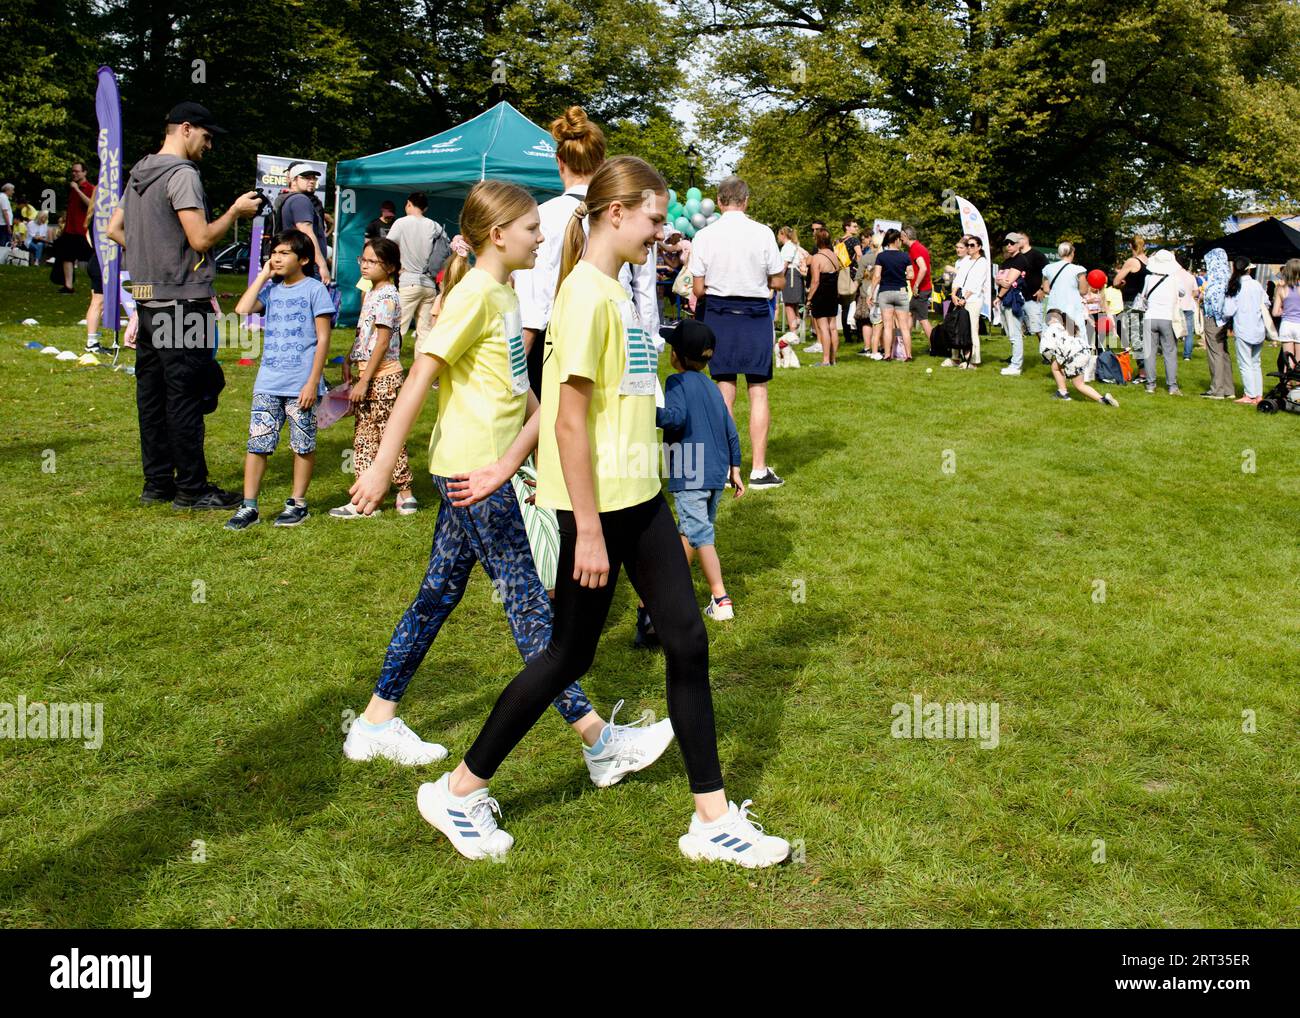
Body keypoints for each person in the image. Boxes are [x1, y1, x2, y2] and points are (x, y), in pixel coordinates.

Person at [394, 156, 789, 867]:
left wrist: (509, 464)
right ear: (616, 213)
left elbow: (571, 406)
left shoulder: (615, 290)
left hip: (641, 499)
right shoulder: (583, 295)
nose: (664, 235)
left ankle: (712, 818)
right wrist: (584, 529)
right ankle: (458, 790)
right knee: (566, 654)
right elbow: (568, 422)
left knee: (687, 641)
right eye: (655, 219)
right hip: (600, 510)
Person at [341, 177, 674, 782]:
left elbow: (519, 392)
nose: (541, 236)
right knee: (529, 606)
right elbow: (420, 376)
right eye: (529, 229)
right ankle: (597, 740)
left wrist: (540, 451)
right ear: (497, 235)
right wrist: (383, 465)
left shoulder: (505, 295)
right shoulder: (472, 297)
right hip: (473, 474)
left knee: (439, 595)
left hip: (485, 470)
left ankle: (374, 721)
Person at [106, 101, 261, 510]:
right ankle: (192, 489)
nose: (208, 147)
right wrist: (235, 211)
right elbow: (201, 239)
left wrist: (150, 257)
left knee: (152, 397)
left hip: (147, 303)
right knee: (187, 395)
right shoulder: (182, 174)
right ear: (186, 129)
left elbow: (113, 228)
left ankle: (157, 484)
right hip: (182, 304)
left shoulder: (140, 170)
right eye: (207, 138)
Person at [515, 106, 659, 398]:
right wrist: (649, 351)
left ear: (559, 162)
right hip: (619, 338)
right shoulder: (631, 218)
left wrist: (516, 370)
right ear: (603, 162)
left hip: (553, 344)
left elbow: (532, 305)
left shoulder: (539, 217)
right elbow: (645, 294)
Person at [224, 231, 333, 529]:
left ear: (304, 259)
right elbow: (242, 309)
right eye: (275, 252)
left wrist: (312, 382)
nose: (277, 257)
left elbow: (323, 339)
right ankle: (250, 507)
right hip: (268, 383)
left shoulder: (314, 290)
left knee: (302, 445)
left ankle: (298, 503)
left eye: (285, 253)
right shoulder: (271, 290)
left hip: (301, 384)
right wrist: (262, 276)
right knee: (257, 444)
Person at [689, 174, 786, 489]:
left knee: (723, 390)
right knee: (758, 389)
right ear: (745, 200)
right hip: (755, 314)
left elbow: (699, 288)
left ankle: (729, 468)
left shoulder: (705, 235)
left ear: (719, 201)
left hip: (719, 314)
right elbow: (778, 280)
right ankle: (758, 469)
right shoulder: (763, 233)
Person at [656, 319, 744, 621]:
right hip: (717, 472)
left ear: (676, 355)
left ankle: (720, 598)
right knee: (691, 529)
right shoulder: (712, 386)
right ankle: (671, 587)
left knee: (702, 534)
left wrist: (645, 411)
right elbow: (730, 428)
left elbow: (676, 419)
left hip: (690, 472)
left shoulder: (676, 382)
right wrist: (736, 468)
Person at [330, 236, 418, 518]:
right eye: (362, 260)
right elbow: (365, 335)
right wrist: (350, 358)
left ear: (390, 266)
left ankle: (405, 493)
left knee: (384, 435)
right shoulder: (373, 292)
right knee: (366, 437)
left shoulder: (388, 296)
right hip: (368, 372)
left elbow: (381, 342)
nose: (364, 266)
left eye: (372, 261)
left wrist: (365, 380)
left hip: (382, 377)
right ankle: (365, 499)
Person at [385, 191, 441, 346]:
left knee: (397, 329)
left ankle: (387, 368)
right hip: (429, 284)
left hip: (408, 281)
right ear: (426, 208)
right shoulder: (434, 225)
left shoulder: (401, 223)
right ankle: (421, 370)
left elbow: (387, 247)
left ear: (409, 203)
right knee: (425, 332)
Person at [1040, 309, 1120, 407]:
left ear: (1052, 318)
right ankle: (1103, 399)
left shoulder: (1052, 327)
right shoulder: (1068, 325)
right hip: (1083, 353)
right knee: (1073, 379)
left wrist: (1047, 357)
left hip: (1072, 356)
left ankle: (1063, 392)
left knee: (1060, 371)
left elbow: (1046, 346)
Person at [1137, 247, 1184, 395]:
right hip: (1168, 318)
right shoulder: (1174, 279)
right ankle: (1172, 386)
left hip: (1150, 317)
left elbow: (1143, 295)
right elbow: (1182, 292)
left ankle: (1150, 384)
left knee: (1149, 352)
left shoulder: (1148, 278)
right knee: (1169, 352)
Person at [1223, 255, 1268, 405]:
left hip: (1243, 328)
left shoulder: (1235, 285)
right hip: (1258, 327)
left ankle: (1250, 394)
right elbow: (1266, 302)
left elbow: (1228, 310)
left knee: (1245, 363)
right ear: (1248, 270)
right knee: (1255, 363)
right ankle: (1258, 394)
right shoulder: (1257, 285)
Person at [275, 164, 330, 283]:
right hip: (306, 268)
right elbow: (307, 233)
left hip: (295, 266)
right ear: (293, 180)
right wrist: (322, 265)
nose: (311, 181)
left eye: (314, 178)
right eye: (306, 177)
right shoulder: (300, 200)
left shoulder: (288, 199)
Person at [944, 235, 989, 367]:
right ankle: (955, 357)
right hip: (960, 298)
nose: (969, 247)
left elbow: (977, 284)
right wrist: (953, 294)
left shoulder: (982, 262)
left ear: (979, 247)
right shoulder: (966, 261)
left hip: (973, 300)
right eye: (968, 245)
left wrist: (965, 298)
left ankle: (973, 360)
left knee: (972, 329)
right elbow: (958, 279)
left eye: (972, 245)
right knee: (955, 327)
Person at [1199, 248, 1237, 399]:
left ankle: (1217, 389)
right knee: (1223, 353)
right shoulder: (1228, 278)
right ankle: (1229, 389)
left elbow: (1214, 304)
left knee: (1215, 354)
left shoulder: (1214, 281)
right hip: (1225, 320)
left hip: (1214, 319)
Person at [871, 228, 914, 361]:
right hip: (901, 291)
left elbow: (877, 276)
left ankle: (888, 354)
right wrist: (902, 275)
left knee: (888, 326)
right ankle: (908, 355)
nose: (901, 242)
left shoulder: (881, 256)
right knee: (904, 326)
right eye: (900, 240)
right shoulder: (905, 256)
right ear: (896, 240)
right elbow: (911, 275)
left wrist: (871, 294)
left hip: (885, 292)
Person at [54, 163, 95, 293]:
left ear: (85, 172)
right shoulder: (72, 189)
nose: (74, 174)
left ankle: (100, 283)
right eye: (73, 171)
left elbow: (91, 205)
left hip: (83, 231)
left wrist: (77, 190)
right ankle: (68, 285)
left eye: (77, 171)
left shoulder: (90, 188)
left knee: (92, 258)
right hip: (70, 230)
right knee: (67, 257)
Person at [1113, 235, 1150, 375]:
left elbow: (1116, 281)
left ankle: (1143, 372)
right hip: (1146, 303)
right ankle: (1148, 369)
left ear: (1130, 246)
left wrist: (1121, 283)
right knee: (1144, 336)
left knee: (1135, 337)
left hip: (1132, 303)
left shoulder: (1131, 261)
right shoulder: (1149, 262)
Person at [805, 228, 841, 365]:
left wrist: (809, 298)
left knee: (823, 327)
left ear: (817, 241)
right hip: (833, 293)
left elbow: (815, 281)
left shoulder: (817, 258)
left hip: (821, 294)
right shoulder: (834, 255)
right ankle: (833, 359)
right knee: (832, 327)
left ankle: (825, 360)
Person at [998, 232, 1030, 375]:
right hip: (1006, 298)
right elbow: (999, 279)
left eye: (1011, 243)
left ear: (1018, 244)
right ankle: (1014, 361)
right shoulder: (1007, 261)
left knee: (1015, 333)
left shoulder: (1020, 260)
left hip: (1014, 299)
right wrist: (1001, 281)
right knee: (1011, 333)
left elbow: (1008, 282)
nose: (1009, 246)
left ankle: (1016, 365)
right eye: (1006, 243)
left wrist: (998, 295)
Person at [903, 225, 933, 348]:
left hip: (922, 289)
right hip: (921, 289)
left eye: (901, 236)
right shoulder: (917, 247)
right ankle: (905, 344)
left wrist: (915, 285)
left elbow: (923, 268)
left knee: (923, 319)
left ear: (906, 236)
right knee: (910, 314)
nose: (900, 239)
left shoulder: (915, 248)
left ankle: (936, 345)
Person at [837, 217, 863, 348]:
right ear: (847, 227)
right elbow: (859, 255)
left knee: (844, 306)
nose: (856, 229)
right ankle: (859, 334)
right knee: (857, 302)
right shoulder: (854, 240)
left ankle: (847, 335)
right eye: (854, 226)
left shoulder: (838, 241)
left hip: (841, 274)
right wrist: (862, 269)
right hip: (852, 273)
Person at [854, 232, 881, 357]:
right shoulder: (885, 256)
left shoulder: (865, 258)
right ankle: (880, 346)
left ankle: (867, 347)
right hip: (881, 292)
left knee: (866, 321)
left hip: (866, 291)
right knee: (880, 322)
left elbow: (859, 276)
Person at [1016, 231, 1048, 337]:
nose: (1016, 241)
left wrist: (1042, 289)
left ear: (1026, 240)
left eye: (1018, 238)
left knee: (1038, 328)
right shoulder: (1017, 256)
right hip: (1018, 298)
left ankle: (1046, 352)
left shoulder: (1037, 255)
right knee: (1017, 330)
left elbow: (1048, 273)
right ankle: (1017, 354)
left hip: (1033, 297)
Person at [776, 226, 807, 334]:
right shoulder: (793, 245)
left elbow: (785, 265)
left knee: (789, 305)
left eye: (778, 234)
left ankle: (793, 332)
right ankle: (798, 330)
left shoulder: (788, 247)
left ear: (782, 234)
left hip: (791, 275)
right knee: (794, 306)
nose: (777, 237)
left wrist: (779, 279)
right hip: (793, 275)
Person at [1270, 257, 1300, 364]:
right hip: (1299, 325)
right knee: (1298, 362)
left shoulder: (1281, 289)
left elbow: (1274, 312)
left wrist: (1285, 311)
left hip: (1286, 325)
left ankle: (1287, 380)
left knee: (1288, 361)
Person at [1175, 251, 1199, 360]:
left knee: (1173, 331)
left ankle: (1171, 352)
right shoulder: (1190, 276)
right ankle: (1187, 355)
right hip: (1188, 306)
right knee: (1189, 333)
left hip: (1176, 306)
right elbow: (1196, 292)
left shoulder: (1173, 276)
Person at [0, 183, 13, 247]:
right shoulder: (3, 198)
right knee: (4, 244)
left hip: (3, 224)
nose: (13, 192)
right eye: (12, 190)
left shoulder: (2, 197)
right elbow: (5, 212)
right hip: (4, 225)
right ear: (7, 190)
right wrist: (9, 226)